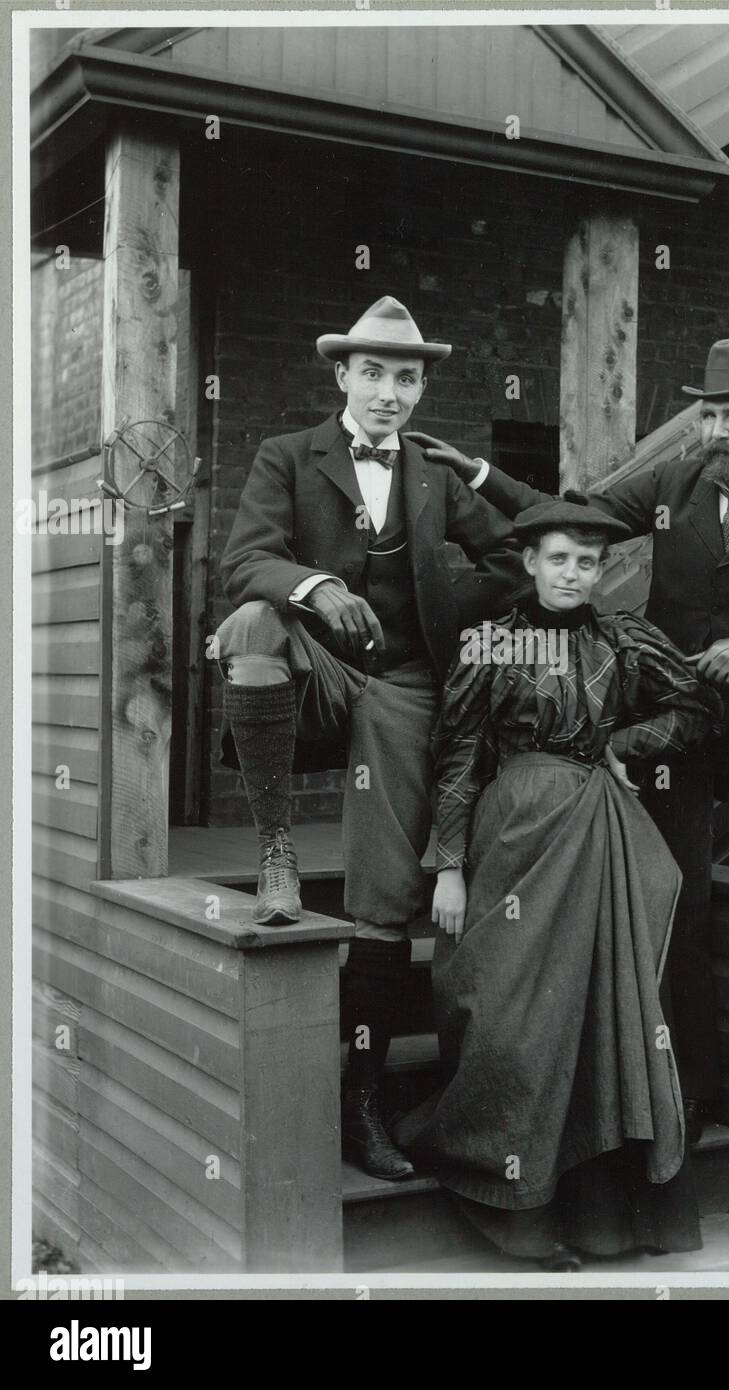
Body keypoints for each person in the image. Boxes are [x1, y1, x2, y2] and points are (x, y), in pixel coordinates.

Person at [407, 337, 729, 1133]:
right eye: (710, 414)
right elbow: (575, 515)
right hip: (663, 730)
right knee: (674, 904)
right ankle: (687, 1086)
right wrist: (479, 474)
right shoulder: (673, 482)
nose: (716, 430)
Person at [212, 296, 527, 1181]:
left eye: (407, 377)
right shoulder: (288, 457)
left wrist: (441, 616)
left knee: (385, 891)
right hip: (316, 658)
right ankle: (277, 849)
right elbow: (244, 561)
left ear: (421, 388)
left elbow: (511, 556)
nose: (389, 392)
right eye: (374, 373)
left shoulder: (432, 472)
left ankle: (360, 1101)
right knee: (246, 628)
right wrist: (311, 587)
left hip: (403, 679)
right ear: (342, 375)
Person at [393, 500, 722, 1271]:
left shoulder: (624, 640)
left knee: (608, 1005)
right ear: (530, 563)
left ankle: (607, 1221)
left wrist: (622, 742)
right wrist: (446, 865)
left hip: (602, 830)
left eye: (586, 561)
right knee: (516, 1011)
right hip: (513, 835)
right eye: (559, 559)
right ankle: (516, 1213)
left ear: (599, 570)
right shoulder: (491, 645)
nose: (572, 573)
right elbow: (456, 754)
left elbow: (700, 706)